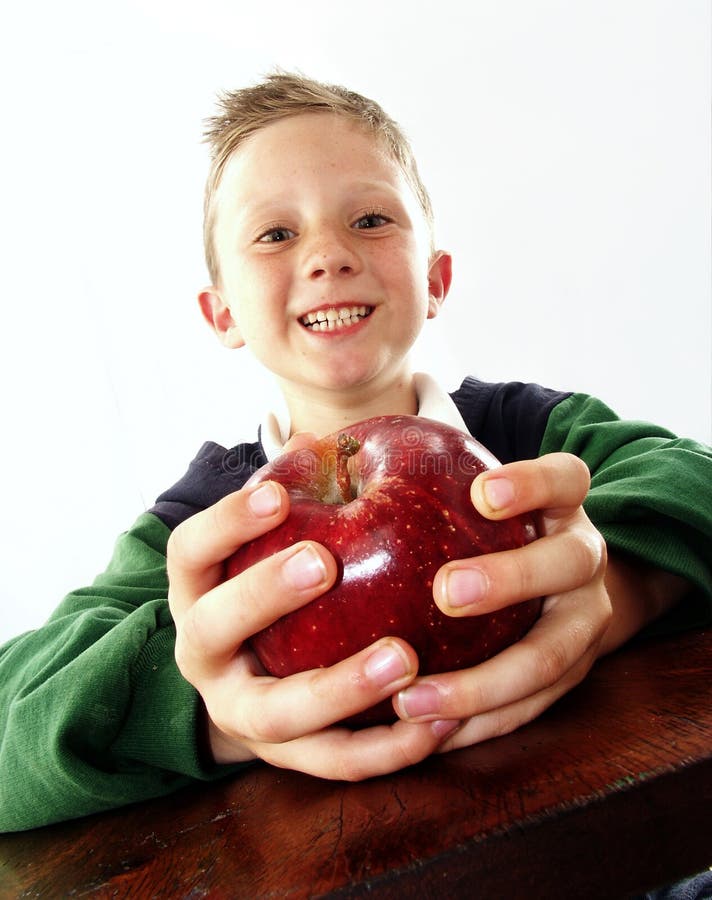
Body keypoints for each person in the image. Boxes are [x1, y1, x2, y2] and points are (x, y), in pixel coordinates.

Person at [1, 71, 710, 835]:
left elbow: (691, 475)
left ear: (436, 279)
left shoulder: (528, 439)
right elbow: (19, 710)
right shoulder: (204, 532)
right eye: (275, 234)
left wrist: (619, 587)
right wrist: (215, 707)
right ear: (223, 313)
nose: (330, 254)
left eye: (371, 219)